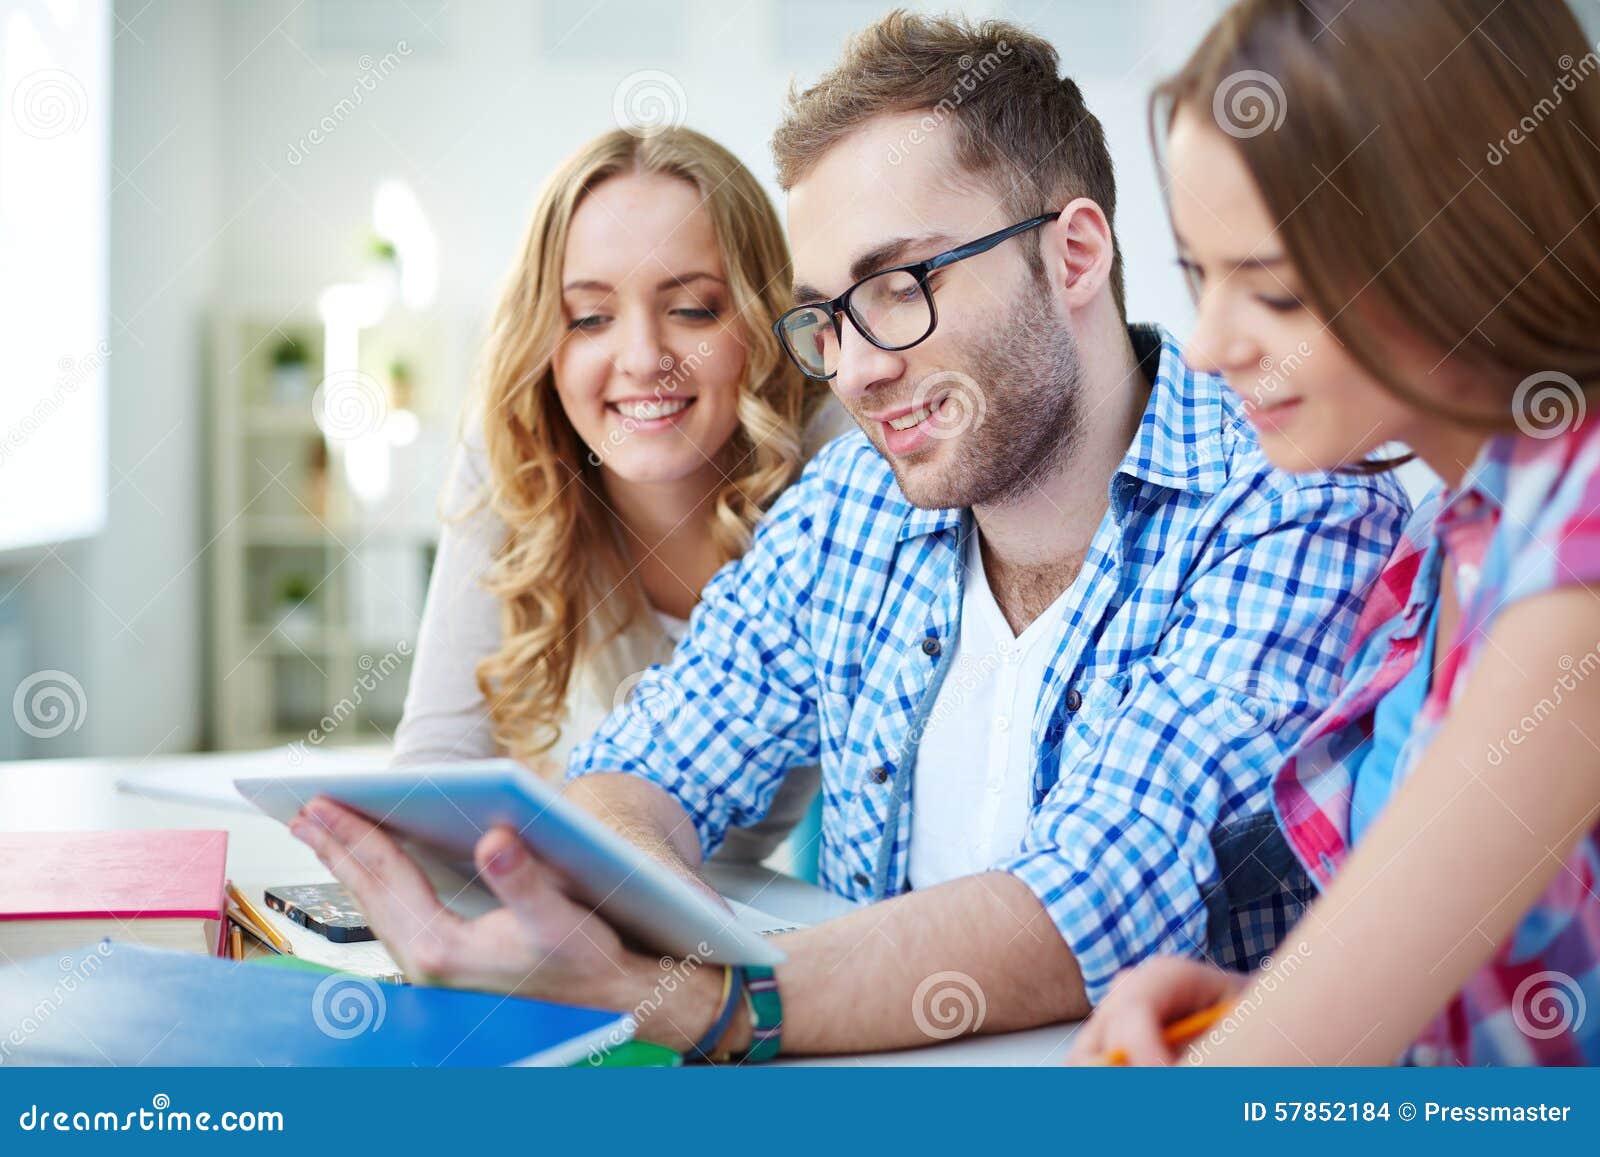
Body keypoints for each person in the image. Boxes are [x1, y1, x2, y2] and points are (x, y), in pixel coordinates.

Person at [291, 12, 1407, 1059]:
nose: (859, 366)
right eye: (826, 314)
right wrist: (612, 915)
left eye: (900, 284)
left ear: (1073, 256)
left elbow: (1095, 888)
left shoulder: (1288, 499)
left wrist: (706, 996)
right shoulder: (852, 506)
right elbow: (638, 772)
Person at [1070, 0, 1600, 1066]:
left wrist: (1280, 1038)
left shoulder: (1579, 528)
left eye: (1272, 290)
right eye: (1195, 275)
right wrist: (1247, 1004)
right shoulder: (1441, 538)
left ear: (1467, 241)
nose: (1210, 346)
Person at [390, 127, 847, 864]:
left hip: (686, 877)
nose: (641, 359)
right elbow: (440, 755)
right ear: (546, 336)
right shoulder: (518, 441)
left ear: (761, 321)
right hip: (587, 865)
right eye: (590, 317)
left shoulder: (834, 463)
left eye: (694, 309)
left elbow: (740, 826)